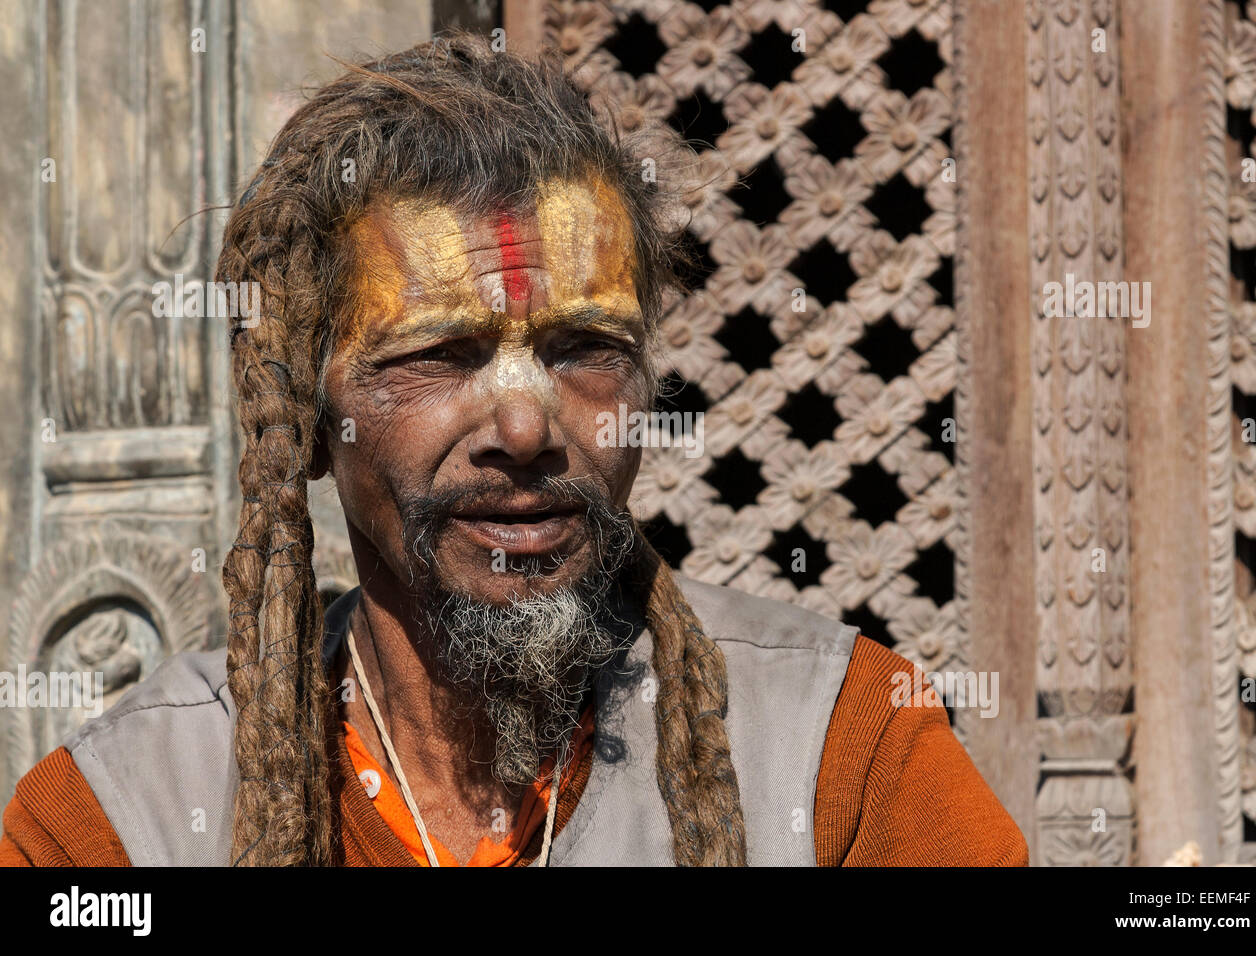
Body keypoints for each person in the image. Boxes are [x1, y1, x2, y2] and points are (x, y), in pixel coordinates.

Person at [0, 32, 1027, 867]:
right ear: (307, 417)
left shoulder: (835, 753)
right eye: (440, 354)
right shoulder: (122, 821)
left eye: (586, 348)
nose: (528, 426)